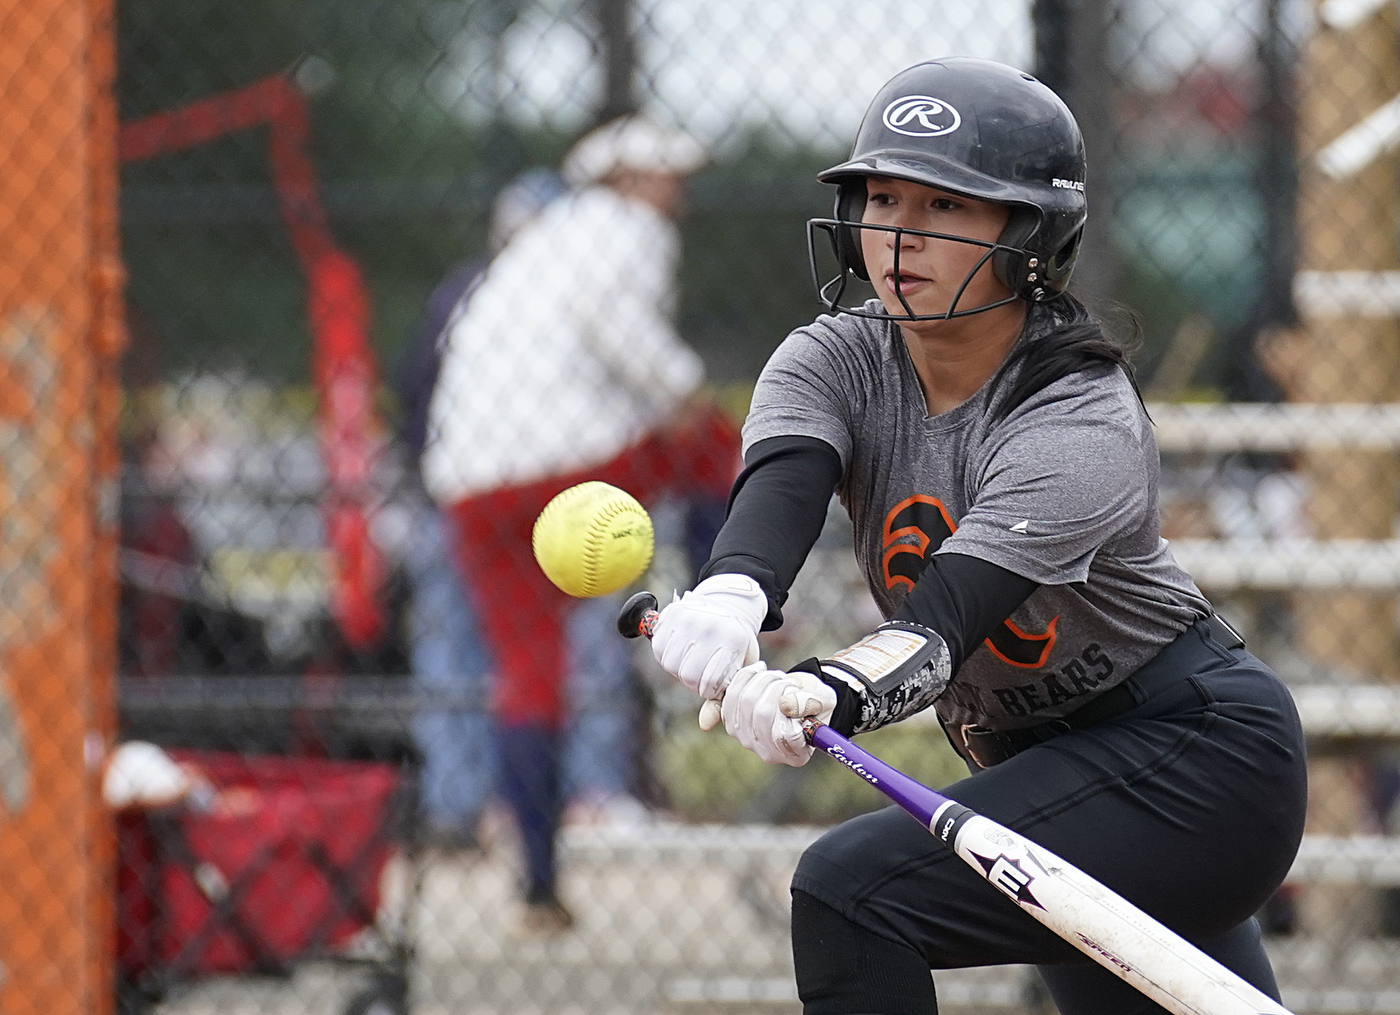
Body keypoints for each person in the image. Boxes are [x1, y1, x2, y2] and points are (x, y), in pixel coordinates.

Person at [648, 58, 1307, 1015]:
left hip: (1196, 764)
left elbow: (945, 618)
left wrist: (824, 688)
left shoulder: (1079, 412)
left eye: (948, 207)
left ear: (1030, 239)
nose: (898, 236)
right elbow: (781, 488)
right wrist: (730, 596)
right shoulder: (832, 355)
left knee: (850, 892)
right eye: (881, 197)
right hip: (1044, 774)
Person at [423, 116, 741, 932]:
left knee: (529, 677)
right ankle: (738, 607)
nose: (679, 193)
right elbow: (624, 337)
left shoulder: (537, 243)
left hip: (470, 486)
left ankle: (537, 882)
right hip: (564, 463)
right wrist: (685, 392)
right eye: (667, 176)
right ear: (630, 179)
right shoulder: (623, 228)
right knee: (718, 445)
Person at [398, 169, 567, 851]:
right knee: (538, 658)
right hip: (532, 500)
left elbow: (411, 391)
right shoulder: (555, 297)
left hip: (463, 491)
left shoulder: (466, 292)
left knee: (463, 656)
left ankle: (460, 804)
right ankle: (575, 800)